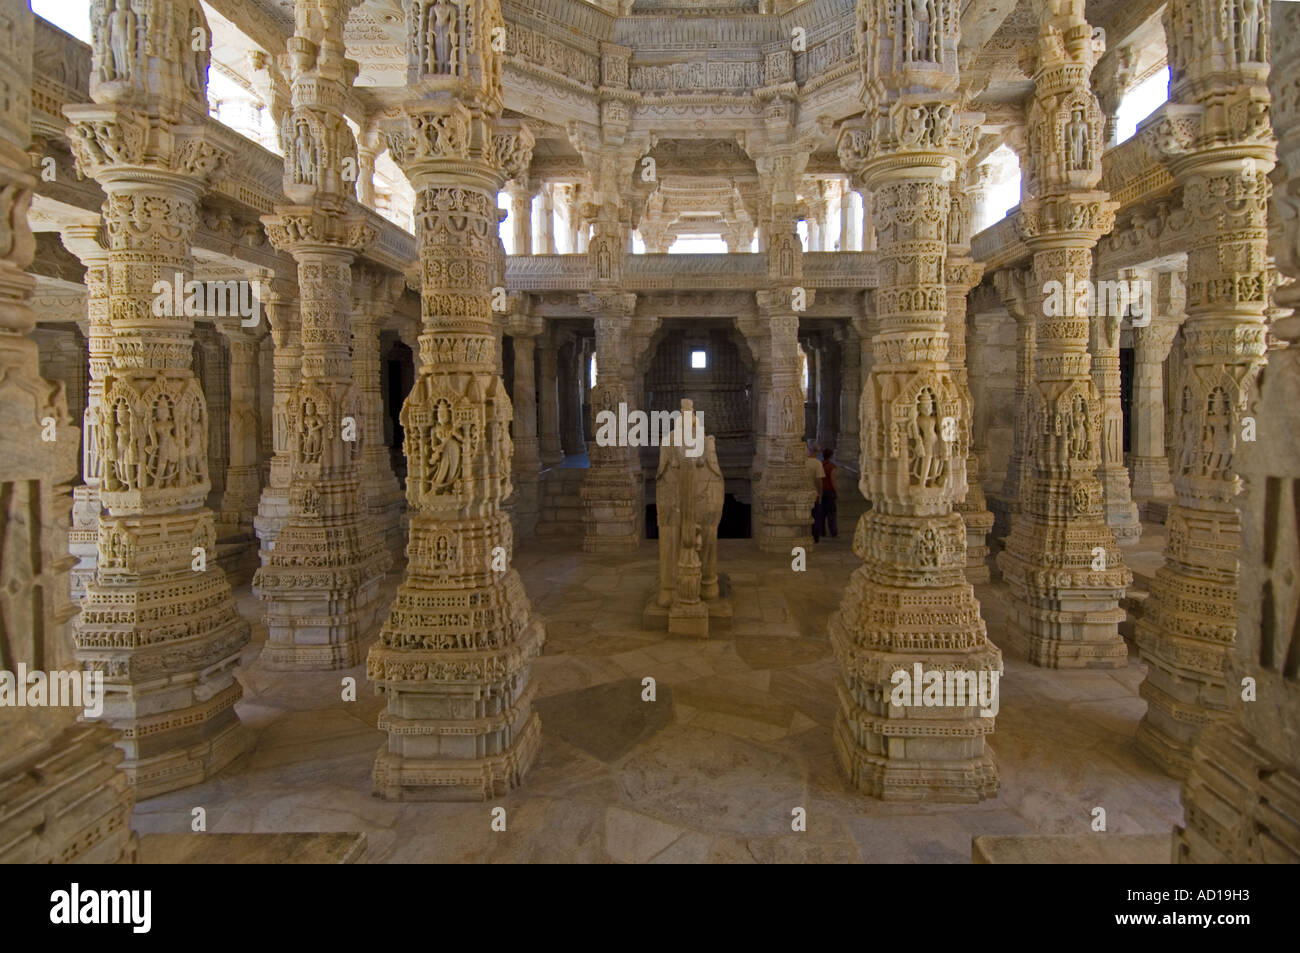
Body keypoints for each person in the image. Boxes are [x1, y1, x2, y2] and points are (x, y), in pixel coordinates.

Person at [805, 442, 825, 542]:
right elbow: (819, 480)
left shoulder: (804, 462)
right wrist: (820, 492)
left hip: (804, 492)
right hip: (814, 493)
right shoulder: (817, 463)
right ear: (817, 451)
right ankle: (815, 536)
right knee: (815, 515)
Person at [821, 448, 838, 539]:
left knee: (822, 513)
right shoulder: (831, 466)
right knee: (831, 513)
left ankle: (822, 531)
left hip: (821, 491)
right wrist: (836, 491)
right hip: (829, 492)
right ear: (831, 456)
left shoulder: (820, 464)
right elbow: (833, 480)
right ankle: (833, 531)